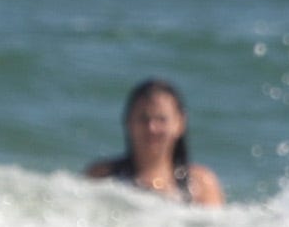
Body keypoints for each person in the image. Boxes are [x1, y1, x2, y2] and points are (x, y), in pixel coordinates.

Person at [85, 78, 225, 206]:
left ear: (180, 123)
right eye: (144, 119)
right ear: (128, 122)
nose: (151, 128)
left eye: (161, 119)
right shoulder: (102, 176)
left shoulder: (201, 185)